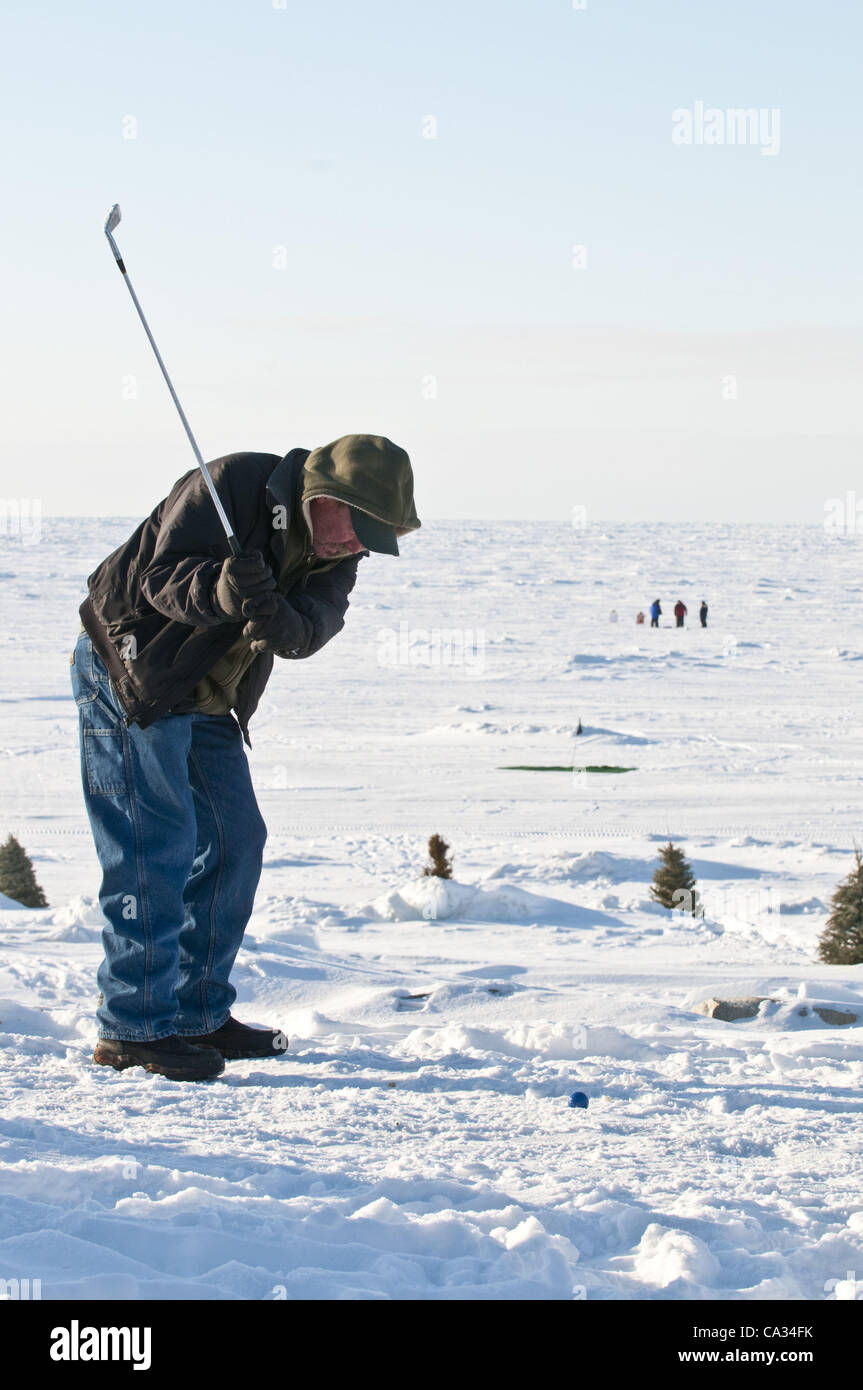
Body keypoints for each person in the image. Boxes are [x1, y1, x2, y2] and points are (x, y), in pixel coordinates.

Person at [72, 434, 420, 1082]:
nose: (359, 546)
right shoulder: (231, 487)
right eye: (360, 528)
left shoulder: (335, 550)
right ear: (325, 495)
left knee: (237, 840)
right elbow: (156, 578)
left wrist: (285, 626)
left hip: (207, 694)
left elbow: (316, 622)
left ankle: (197, 1013)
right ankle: (132, 1027)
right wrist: (225, 590)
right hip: (134, 674)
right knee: (157, 842)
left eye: (376, 536)